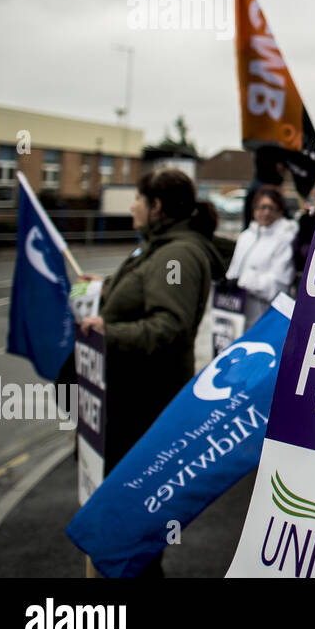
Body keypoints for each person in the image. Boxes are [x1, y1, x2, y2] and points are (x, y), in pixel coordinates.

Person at [79, 170, 223, 474]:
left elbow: (170, 325)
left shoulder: (176, 256)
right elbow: (147, 286)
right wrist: (105, 288)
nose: (132, 207)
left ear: (156, 206)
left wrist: (110, 332)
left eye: (137, 200)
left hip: (145, 403)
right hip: (134, 397)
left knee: (125, 492)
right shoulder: (162, 246)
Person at [224, 186, 297, 327]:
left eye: (271, 208)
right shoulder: (246, 237)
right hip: (238, 316)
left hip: (264, 320)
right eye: (262, 207)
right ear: (254, 210)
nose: (266, 212)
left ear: (280, 211)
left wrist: (244, 281)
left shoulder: (285, 239)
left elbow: (277, 286)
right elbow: (233, 271)